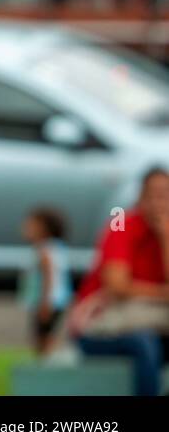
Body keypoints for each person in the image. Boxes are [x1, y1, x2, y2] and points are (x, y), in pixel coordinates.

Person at [69, 166, 169, 396]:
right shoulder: (120, 222)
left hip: (156, 325)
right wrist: (163, 293)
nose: (159, 203)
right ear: (140, 197)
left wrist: (165, 236)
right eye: (153, 195)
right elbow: (116, 286)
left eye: (165, 195)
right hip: (101, 327)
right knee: (145, 342)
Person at [19, 206, 71, 357]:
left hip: (47, 302)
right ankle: (45, 361)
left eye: (30, 226)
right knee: (47, 335)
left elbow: (48, 278)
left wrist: (45, 302)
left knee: (42, 337)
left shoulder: (44, 252)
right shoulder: (57, 248)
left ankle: (44, 363)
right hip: (57, 300)